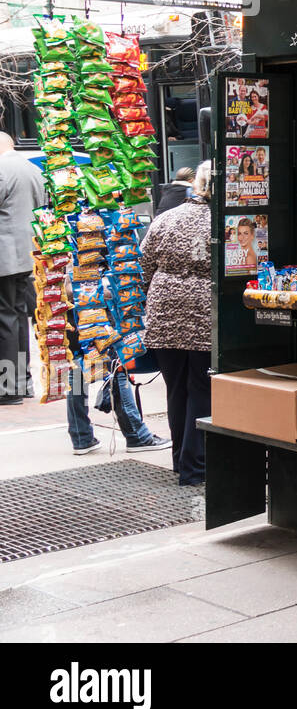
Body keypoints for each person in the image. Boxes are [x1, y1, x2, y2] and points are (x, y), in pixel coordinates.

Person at [142, 159, 214, 486]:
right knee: (201, 387)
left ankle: (178, 461)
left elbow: (143, 264)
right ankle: (194, 468)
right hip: (202, 310)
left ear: (196, 185)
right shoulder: (222, 222)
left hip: (164, 310)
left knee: (175, 389)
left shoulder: (166, 218)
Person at [65, 301, 170, 455]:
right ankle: (137, 436)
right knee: (117, 370)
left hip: (73, 316)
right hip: (99, 317)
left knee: (77, 371)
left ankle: (81, 437)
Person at [0, 132, 46, 403]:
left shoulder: (3, 170)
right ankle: (22, 383)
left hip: (5, 257)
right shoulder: (32, 168)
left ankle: (9, 388)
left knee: (6, 321)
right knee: (18, 320)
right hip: (27, 256)